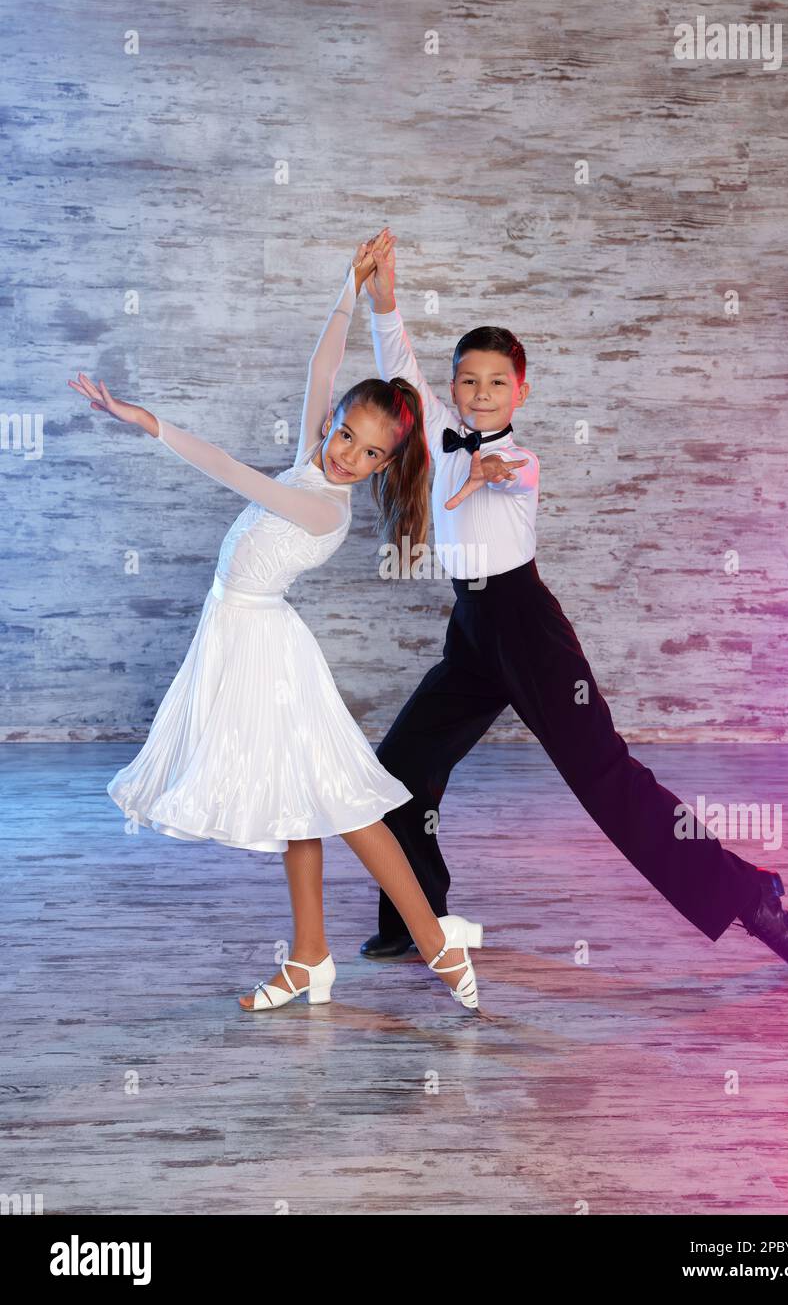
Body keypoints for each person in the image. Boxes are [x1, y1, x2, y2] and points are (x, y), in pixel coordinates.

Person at [358, 230, 788, 970]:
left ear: (521, 392)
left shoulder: (522, 457)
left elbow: (505, 471)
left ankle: (746, 892)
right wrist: (385, 300)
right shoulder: (440, 435)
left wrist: (484, 473)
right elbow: (397, 366)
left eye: (496, 383)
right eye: (467, 381)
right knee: (400, 765)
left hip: (526, 627)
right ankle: (417, 916)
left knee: (604, 779)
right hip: (473, 629)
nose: (479, 394)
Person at [67, 235, 483, 1012]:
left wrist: (146, 422)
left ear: (386, 466)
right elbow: (319, 373)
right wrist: (347, 290)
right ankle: (309, 957)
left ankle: (433, 940)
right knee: (302, 804)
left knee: (344, 803)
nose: (346, 456)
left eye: (367, 454)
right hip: (238, 637)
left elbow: (228, 471)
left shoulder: (318, 503)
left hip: (265, 649)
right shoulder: (312, 462)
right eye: (342, 436)